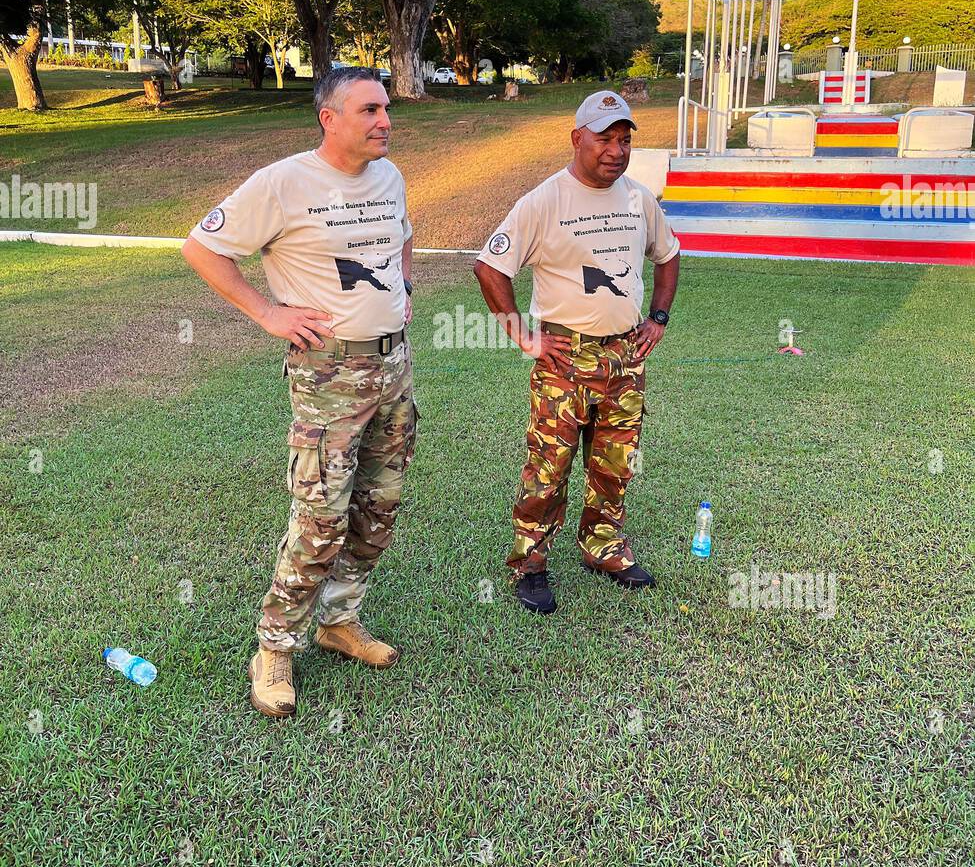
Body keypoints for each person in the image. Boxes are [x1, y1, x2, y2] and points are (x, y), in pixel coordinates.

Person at [182, 67, 417, 717]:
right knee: (319, 521)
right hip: (328, 379)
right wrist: (268, 314)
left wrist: (404, 290)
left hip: (394, 370)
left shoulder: (389, 177)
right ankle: (275, 649)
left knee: (379, 509)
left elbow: (401, 237)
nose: (384, 121)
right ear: (329, 118)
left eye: (386, 109)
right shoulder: (283, 183)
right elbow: (201, 248)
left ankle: (338, 623)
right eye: (369, 110)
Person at [473, 90, 680, 614]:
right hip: (566, 361)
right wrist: (524, 335)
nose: (616, 150)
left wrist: (657, 318)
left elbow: (669, 255)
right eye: (604, 138)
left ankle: (603, 547)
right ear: (576, 139)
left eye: (624, 140)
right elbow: (489, 267)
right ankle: (530, 562)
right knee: (549, 467)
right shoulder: (544, 201)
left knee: (615, 463)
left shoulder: (638, 198)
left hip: (625, 359)